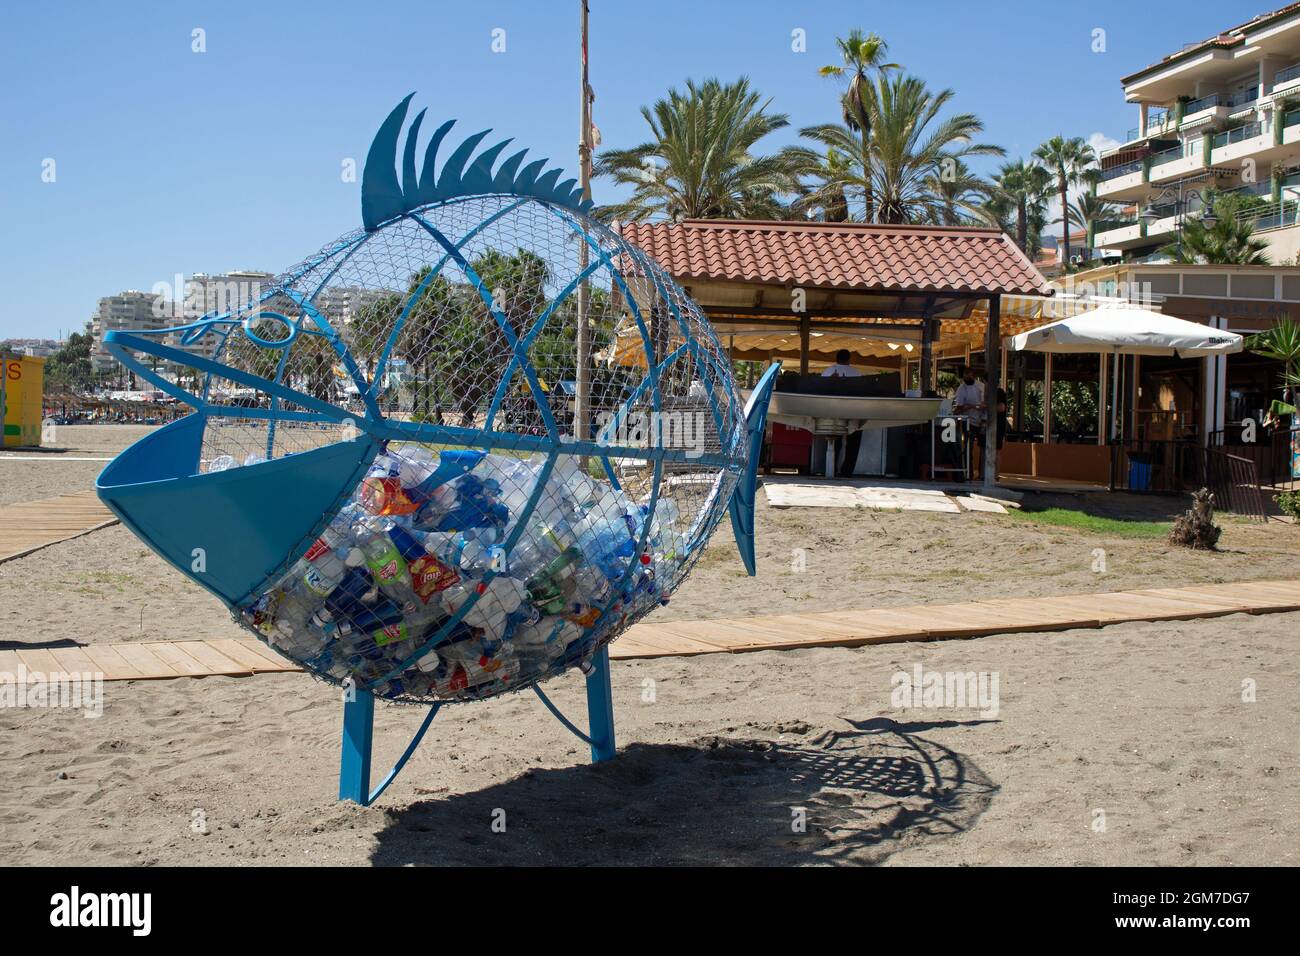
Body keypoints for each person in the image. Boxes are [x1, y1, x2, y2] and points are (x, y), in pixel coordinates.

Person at [822, 349, 862, 476]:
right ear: (849, 359)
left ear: (836, 358)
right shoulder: (856, 373)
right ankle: (847, 471)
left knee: (833, 440)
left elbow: (819, 388)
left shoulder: (828, 371)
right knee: (853, 442)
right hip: (853, 410)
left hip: (831, 410)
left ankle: (830, 468)